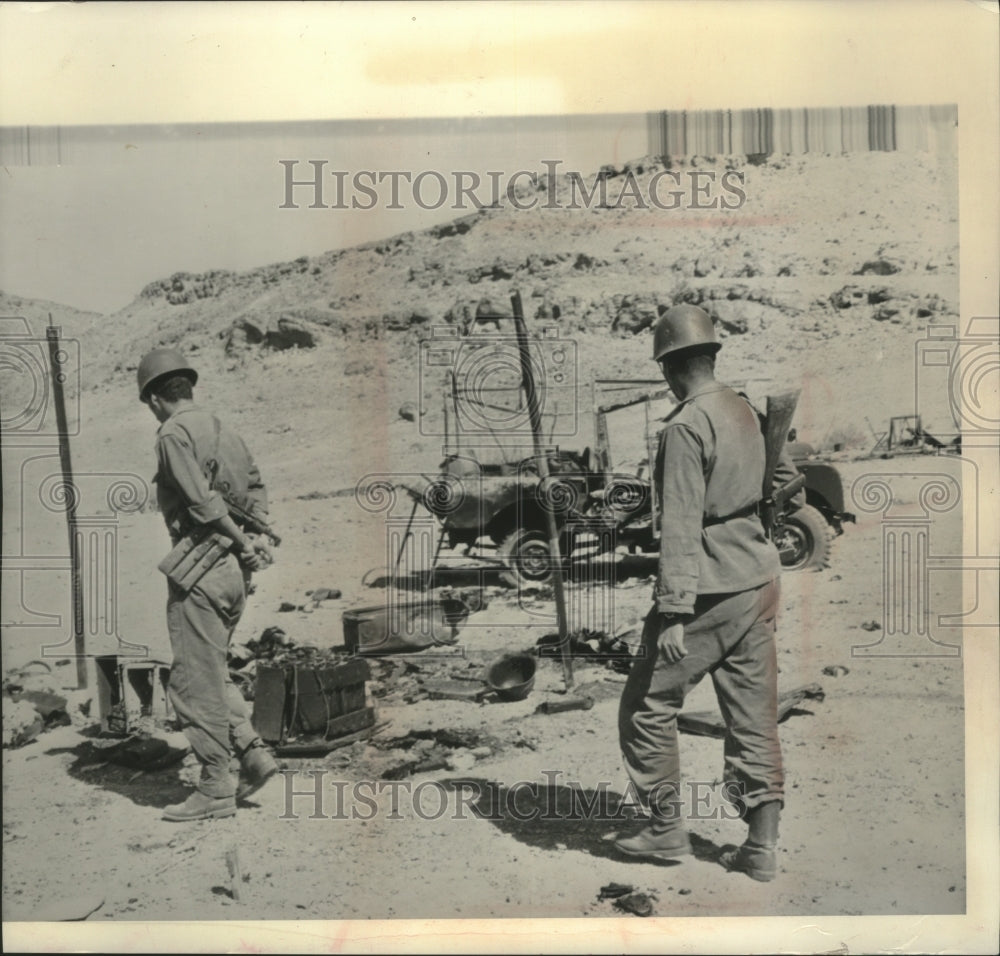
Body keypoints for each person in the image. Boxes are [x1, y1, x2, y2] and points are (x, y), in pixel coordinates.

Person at [616, 305, 803, 882]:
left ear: (669, 367)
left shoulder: (685, 426)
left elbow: (678, 526)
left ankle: (665, 830)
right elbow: (787, 487)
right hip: (760, 580)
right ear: (712, 355)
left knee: (646, 706)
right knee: (754, 715)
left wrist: (672, 613)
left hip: (708, 591)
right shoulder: (745, 408)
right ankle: (761, 848)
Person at [137, 347, 279, 822]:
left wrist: (239, 539)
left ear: (156, 398)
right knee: (213, 669)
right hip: (234, 575)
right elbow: (256, 489)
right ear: (187, 387)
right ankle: (253, 754)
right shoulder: (225, 430)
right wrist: (254, 541)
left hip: (202, 566)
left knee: (193, 681)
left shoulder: (173, 432)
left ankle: (216, 785)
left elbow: (201, 504)